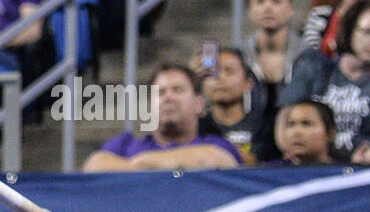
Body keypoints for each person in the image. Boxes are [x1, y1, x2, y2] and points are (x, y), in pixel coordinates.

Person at [280, 0, 370, 165]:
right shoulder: (315, 70)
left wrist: (360, 161)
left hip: (366, 174)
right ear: (350, 30)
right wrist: (289, 149)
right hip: (312, 168)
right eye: (369, 32)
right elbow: (283, 117)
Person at [82, 65, 241, 171]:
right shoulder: (125, 144)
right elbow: (93, 165)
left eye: (177, 90)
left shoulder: (215, 144)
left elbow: (219, 160)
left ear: (199, 104)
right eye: (160, 92)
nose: (168, 97)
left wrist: (137, 164)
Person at [197, 46, 276, 164]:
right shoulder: (196, 127)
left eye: (229, 71)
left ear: (248, 83)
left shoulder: (266, 127)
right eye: (212, 72)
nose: (220, 77)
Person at [268, 100, 339, 167]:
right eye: (291, 124)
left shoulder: (344, 175)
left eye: (307, 124)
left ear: (330, 134)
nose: (296, 132)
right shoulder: (269, 174)